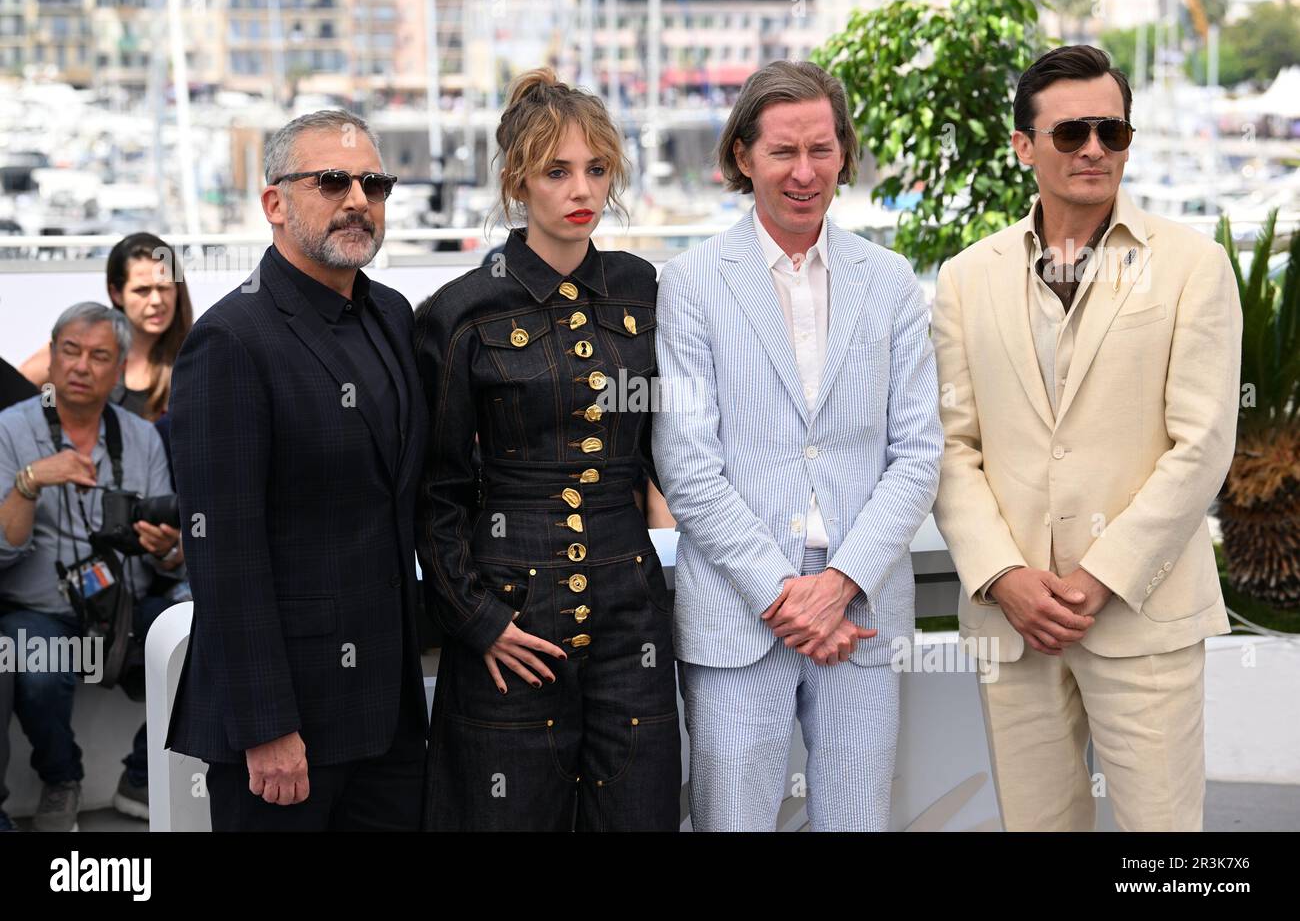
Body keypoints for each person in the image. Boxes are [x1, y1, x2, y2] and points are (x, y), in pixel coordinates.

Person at [930, 45, 1243, 831]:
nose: (1096, 149)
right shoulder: (967, 278)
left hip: (1143, 614)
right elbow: (947, 444)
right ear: (1024, 146)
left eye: (1113, 130)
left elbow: (1202, 444)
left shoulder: (1194, 267)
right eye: (1071, 133)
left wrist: (1101, 575)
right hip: (1016, 621)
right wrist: (1005, 576)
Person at [653, 60, 943, 831]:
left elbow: (917, 454)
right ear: (743, 156)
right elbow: (687, 463)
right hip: (740, 609)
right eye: (783, 151)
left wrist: (840, 581)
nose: (804, 172)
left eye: (822, 148)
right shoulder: (690, 282)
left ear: (844, 152)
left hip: (863, 606)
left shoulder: (889, 281)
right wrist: (787, 594)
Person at [415, 68, 680, 831]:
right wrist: (477, 620)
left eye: (597, 169)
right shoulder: (461, 312)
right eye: (557, 171)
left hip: (630, 608)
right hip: (513, 615)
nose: (581, 189)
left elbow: (677, 449)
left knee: (640, 811)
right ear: (516, 180)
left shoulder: (643, 291)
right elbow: (436, 493)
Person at [165, 109, 430, 831]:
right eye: (332, 181)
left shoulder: (393, 317)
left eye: (374, 183)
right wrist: (267, 726)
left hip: (392, 716)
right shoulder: (229, 341)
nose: (357, 200)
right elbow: (223, 550)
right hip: (286, 734)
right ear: (275, 204)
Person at [0, 302, 185, 831]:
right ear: (53, 357)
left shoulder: (140, 435)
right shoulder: (10, 430)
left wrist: (165, 546)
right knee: (32, 660)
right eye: (70, 351)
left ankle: (141, 775)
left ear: (119, 367)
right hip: (43, 610)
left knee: (200, 628)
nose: (81, 367)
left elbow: (170, 553)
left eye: (99, 356)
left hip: (126, 606)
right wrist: (31, 480)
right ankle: (63, 780)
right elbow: (1, 549)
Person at [21, 233, 194, 422]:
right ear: (116, 293)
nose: (156, 301)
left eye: (164, 288)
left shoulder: (194, 353)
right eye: (142, 290)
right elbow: (16, 391)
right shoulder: (83, 341)